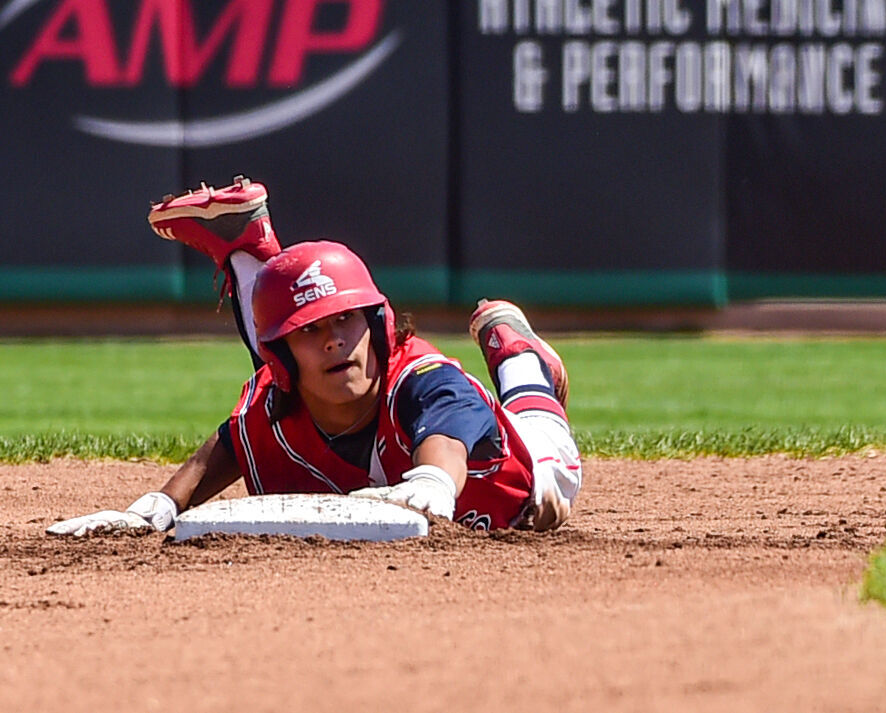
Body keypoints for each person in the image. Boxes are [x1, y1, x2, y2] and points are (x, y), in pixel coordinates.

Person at [47, 176, 582, 537]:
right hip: (302, 392)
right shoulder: (275, 401)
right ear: (279, 357)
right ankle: (247, 253)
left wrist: (434, 483)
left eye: (347, 320)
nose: (334, 341)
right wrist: (158, 507)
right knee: (277, 391)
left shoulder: (426, 380)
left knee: (543, 441)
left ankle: (517, 352)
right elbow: (232, 443)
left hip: (526, 487)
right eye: (311, 331)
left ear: (376, 325)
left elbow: (445, 434)